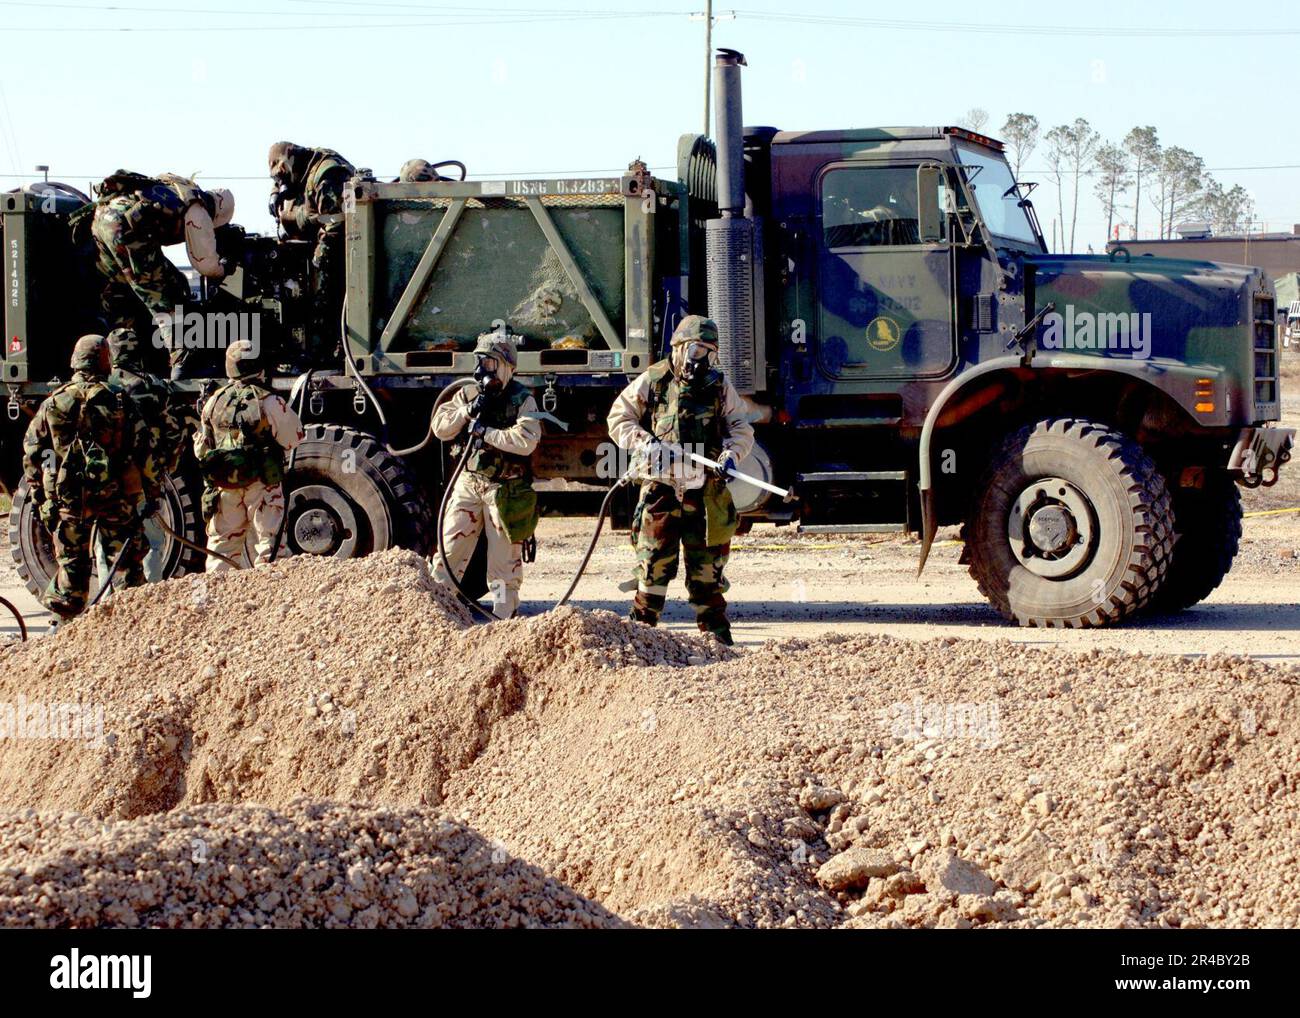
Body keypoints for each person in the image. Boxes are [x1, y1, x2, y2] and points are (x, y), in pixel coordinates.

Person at [606, 315, 754, 645]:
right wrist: (646, 443)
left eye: (709, 352)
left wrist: (731, 454)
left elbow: (741, 429)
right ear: (679, 348)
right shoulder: (655, 379)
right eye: (695, 350)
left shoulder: (718, 385)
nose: (700, 359)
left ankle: (718, 645)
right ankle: (641, 642)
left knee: (707, 575)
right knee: (653, 569)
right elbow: (619, 418)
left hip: (704, 493)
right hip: (661, 490)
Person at [20, 335, 149, 619]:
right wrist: (147, 494)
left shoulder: (55, 402)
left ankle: (65, 633)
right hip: (113, 496)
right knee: (126, 567)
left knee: (71, 569)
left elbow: (32, 453)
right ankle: (133, 629)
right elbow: (142, 447)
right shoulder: (118, 399)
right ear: (105, 361)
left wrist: (41, 498)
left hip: (70, 500)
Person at [431, 332, 541, 620]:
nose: (484, 369)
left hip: (504, 489)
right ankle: (435, 616)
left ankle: (504, 618)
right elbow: (441, 427)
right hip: (470, 482)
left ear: (508, 367)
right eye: (480, 361)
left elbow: (526, 440)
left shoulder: (522, 400)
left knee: (504, 564)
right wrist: (468, 412)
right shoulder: (467, 394)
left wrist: (487, 433)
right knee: (449, 551)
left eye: (491, 363)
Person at [85, 171, 234, 376]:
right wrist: (225, 267)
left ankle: (125, 362)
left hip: (101, 220)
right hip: (128, 226)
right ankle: (183, 362)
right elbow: (207, 267)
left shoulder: (179, 188)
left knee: (120, 294)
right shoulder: (198, 209)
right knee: (167, 297)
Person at [95, 327, 197, 582]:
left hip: (107, 478)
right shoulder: (153, 385)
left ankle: (108, 603)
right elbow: (174, 432)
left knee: (105, 543)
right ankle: (150, 600)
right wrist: (164, 467)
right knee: (152, 541)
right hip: (145, 478)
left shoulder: (101, 386)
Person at [193, 339, 304, 570]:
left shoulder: (213, 402)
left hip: (226, 486)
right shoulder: (269, 401)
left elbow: (203, 448)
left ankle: (219, 598)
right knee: (270, 548)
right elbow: (294, 438)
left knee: (221, 547)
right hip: (262, 486)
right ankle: (272, 597)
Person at [267, 142, 356, 362]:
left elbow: (335, 225)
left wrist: (319, 261)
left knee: (323, 299)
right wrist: (276, 194)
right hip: (332, 240)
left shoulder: (327, 174)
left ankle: (323, 353)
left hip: (345, 248)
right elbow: (286, 181)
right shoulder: (305, 165)